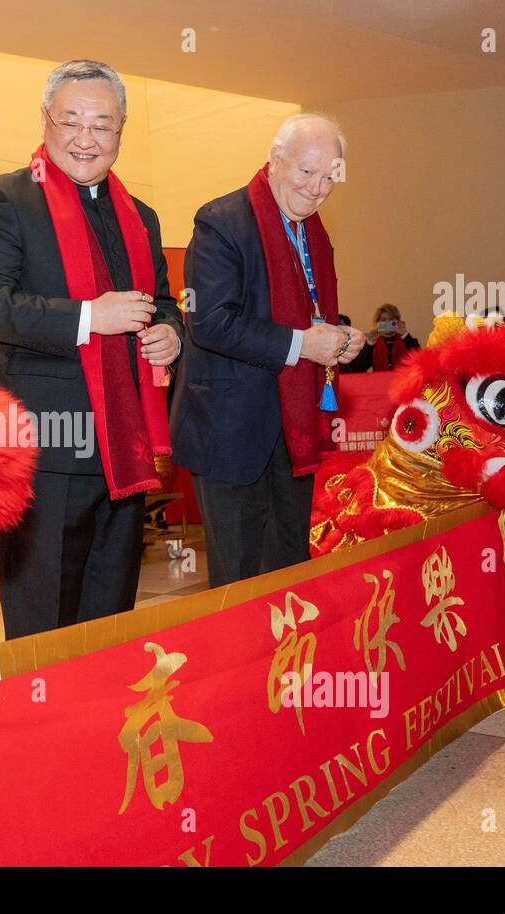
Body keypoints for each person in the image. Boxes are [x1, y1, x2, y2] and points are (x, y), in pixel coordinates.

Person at [0, 60, 184, 639]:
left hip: (124, 444)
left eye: (103, 125)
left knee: (109, 614)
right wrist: (91, 317)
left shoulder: (141, 215)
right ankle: (37, 725)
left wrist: (168, 333)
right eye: (72, 121)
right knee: (43, 619)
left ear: (121, 130)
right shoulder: (5, 199)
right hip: (48, 443)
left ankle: (100, 723)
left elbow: (160, 300)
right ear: (45, 121)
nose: (87, 138)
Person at [169, 113, 365, 589]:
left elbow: (302, 309)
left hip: (293, 429)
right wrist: (304, 345)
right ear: (275, 161)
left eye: (329, 177)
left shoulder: (313, 232)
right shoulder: (221, 222)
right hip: (232, 431)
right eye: (306, 172)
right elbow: (211, 322)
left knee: (290, 571)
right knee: (239, 582)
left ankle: (289, 663)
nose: (318, 189)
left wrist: (338, 334)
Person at [349, 302, 419, 372]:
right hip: (379, 381)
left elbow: (418, 358)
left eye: (391, 320)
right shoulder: (373, 343)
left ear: (397, 321)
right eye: (383, 320)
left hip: (404, 381)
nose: (387, 323)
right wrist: (369, 344)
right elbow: (358, 368)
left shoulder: (406, 340)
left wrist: (405, 335)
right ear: (378, 323)